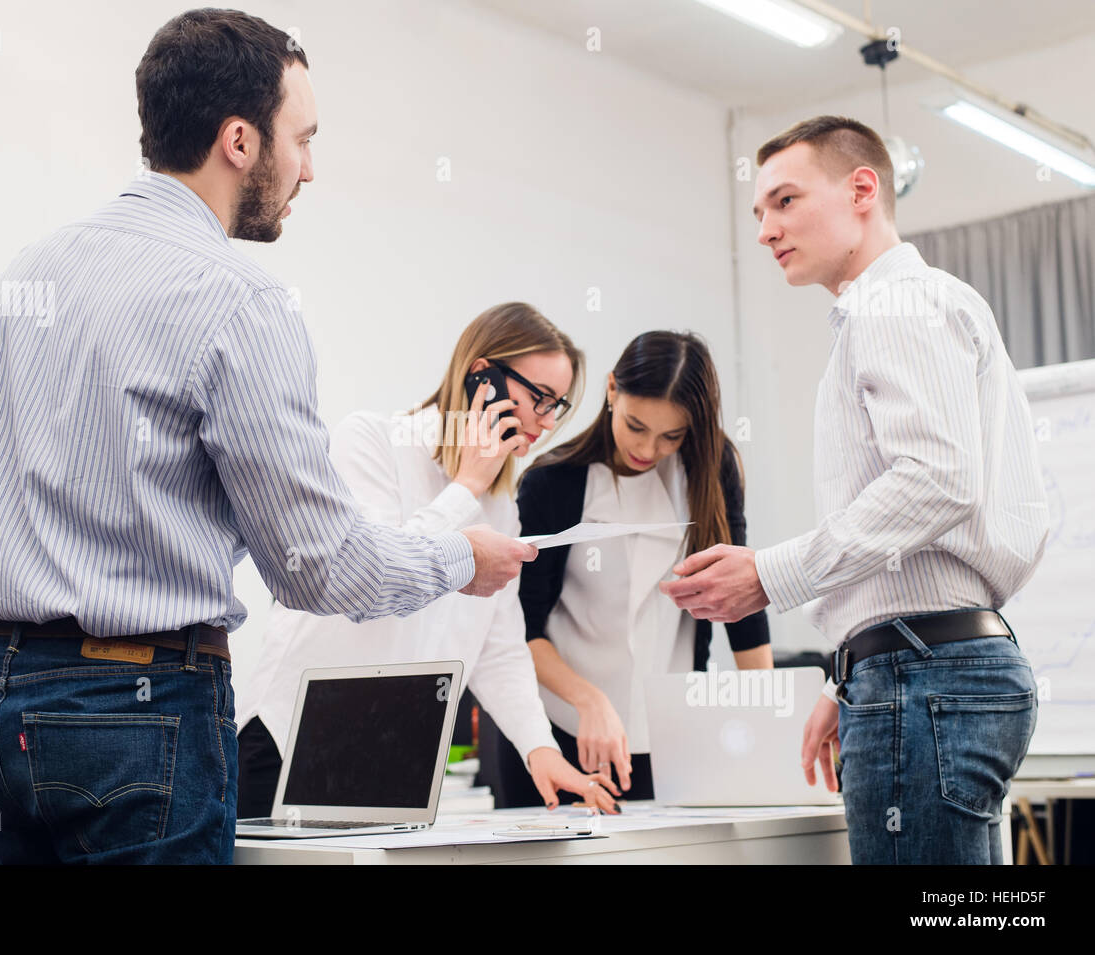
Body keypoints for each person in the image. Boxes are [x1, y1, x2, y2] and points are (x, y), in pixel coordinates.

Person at [0, 9, 534, 865]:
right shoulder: (238, 299)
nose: (309, 169)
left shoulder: (27, 272)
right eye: (302, 138)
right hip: (137, 714)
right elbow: (318, 568)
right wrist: (460, 558)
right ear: (239, 141)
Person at [659, 115, 1049, 864]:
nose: (768, 229)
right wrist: (850, 674)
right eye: (758, 212)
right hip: (922, 668)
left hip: (924, 675)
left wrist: (770, 574)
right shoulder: (910, 307)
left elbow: (938, 477)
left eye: (786, 200)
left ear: (863, 188)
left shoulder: (893, 305)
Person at [237, 303, 625, 816]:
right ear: (481, 377)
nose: (547, 422)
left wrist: (540, 750)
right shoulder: (371, 440)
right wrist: (467, 485)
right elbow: (373, 580)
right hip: (290, 746)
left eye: (559, 405)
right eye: (540, 398)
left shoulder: (500, 506)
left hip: (397, 763)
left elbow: (500, 648)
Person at [483, 331, 773, 808]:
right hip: (557, 731)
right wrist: (589, 699)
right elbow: (519, 628)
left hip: (667, 734)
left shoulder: (711, 467)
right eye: (636, 426)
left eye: (670, 436)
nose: (648, 448)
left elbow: (742, 603)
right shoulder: (553, 482)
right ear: (612, 390)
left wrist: (767, 723)